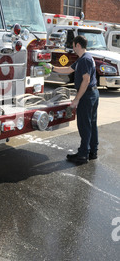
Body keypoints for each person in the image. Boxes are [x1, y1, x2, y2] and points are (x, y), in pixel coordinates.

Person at [50, 35, 99, 164]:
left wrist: (77, 99)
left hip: (87, 95)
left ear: (77, 45)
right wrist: (52, 68)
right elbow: (68, 69)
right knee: (91, 123)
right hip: (92, 94)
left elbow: (86, 80)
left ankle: (83, 155)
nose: (72, 48)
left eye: (73, 45)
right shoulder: (83, 59)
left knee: (84, 125)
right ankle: (92, 152)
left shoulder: (85, 60)